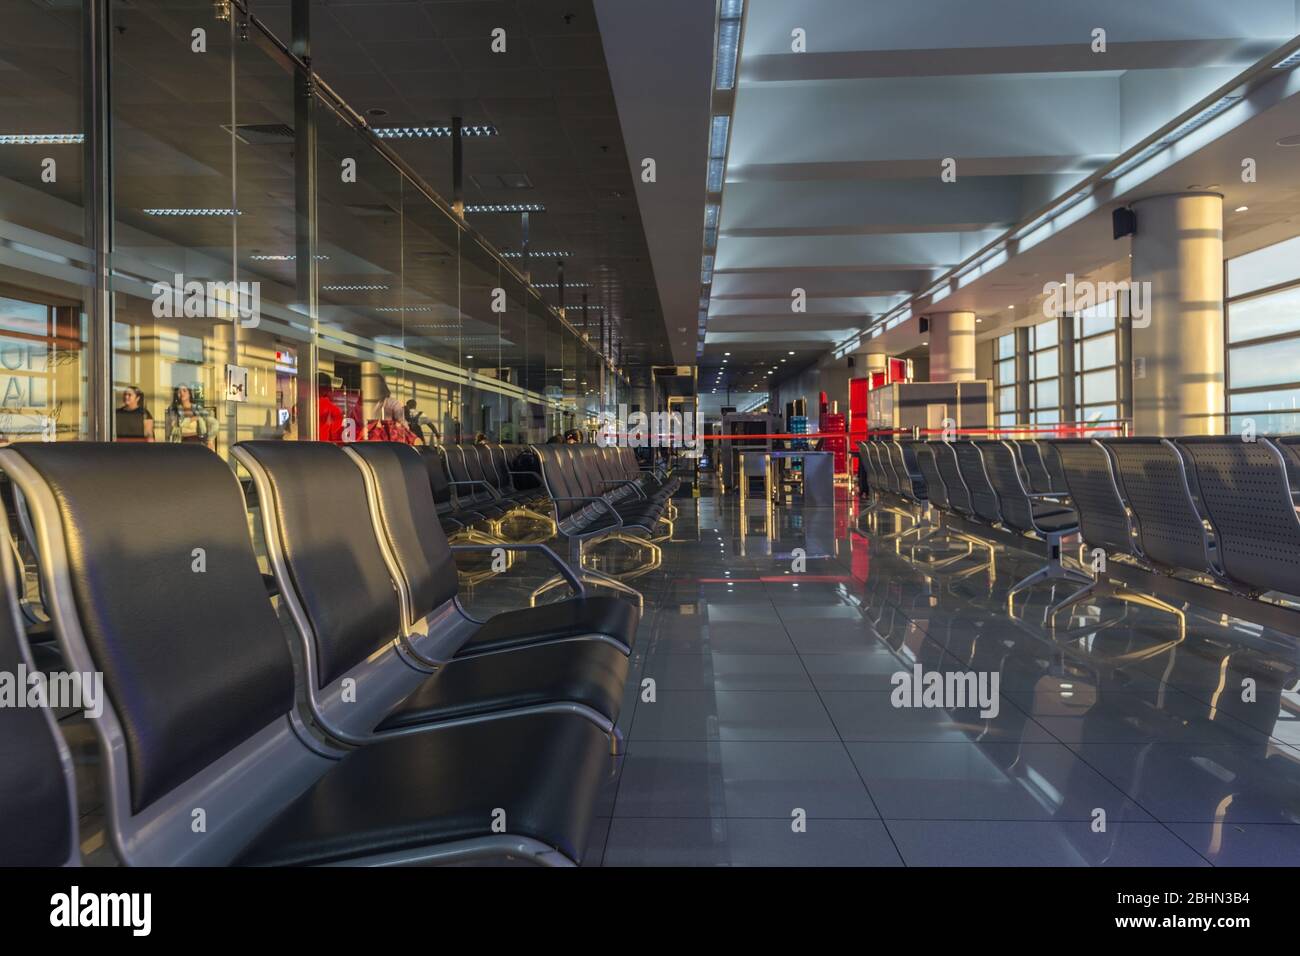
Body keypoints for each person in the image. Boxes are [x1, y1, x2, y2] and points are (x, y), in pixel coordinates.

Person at [318, 373, 344, 443]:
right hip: (325, 445)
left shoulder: (305, 403)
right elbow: (336, 432)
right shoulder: (331, 406)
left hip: (307, 444)